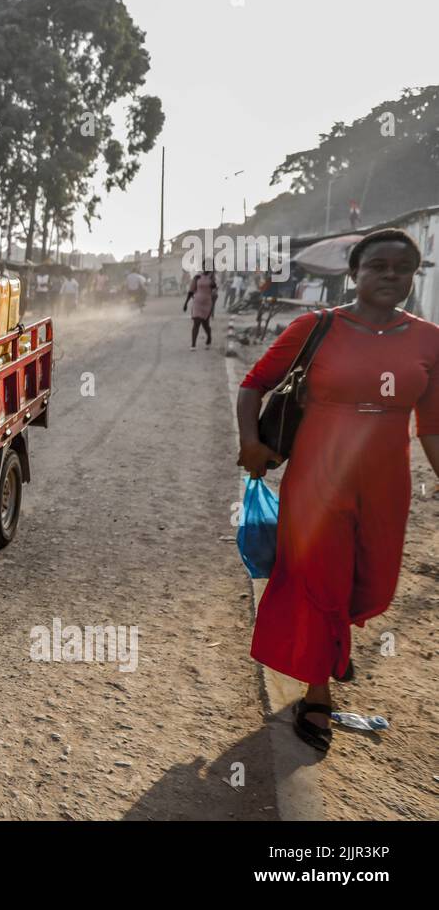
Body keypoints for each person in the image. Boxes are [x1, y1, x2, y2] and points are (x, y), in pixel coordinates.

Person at [236, 228, 439, 754]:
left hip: (386, 482)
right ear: (354, 274)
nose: (390, 276)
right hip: (318, 478)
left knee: (370, 582)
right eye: (378, 266)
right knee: (319, 578)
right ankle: (318, 693)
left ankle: (332, 645)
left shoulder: (429, 340)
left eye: (402, 267)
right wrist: (251, 443)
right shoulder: (316, 327)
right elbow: (254, 382)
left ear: (413, 276)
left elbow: (433, 426)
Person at [183, 265, 218, 348]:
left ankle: (209, 337)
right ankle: (193, 344)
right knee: (196, 322)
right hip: (197, 302)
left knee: (205, 324)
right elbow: (191, 290)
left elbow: (215, 290)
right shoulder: (197, 277)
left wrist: (212, 277)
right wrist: (186, 303)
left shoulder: (213, 278)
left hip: (207, 302)